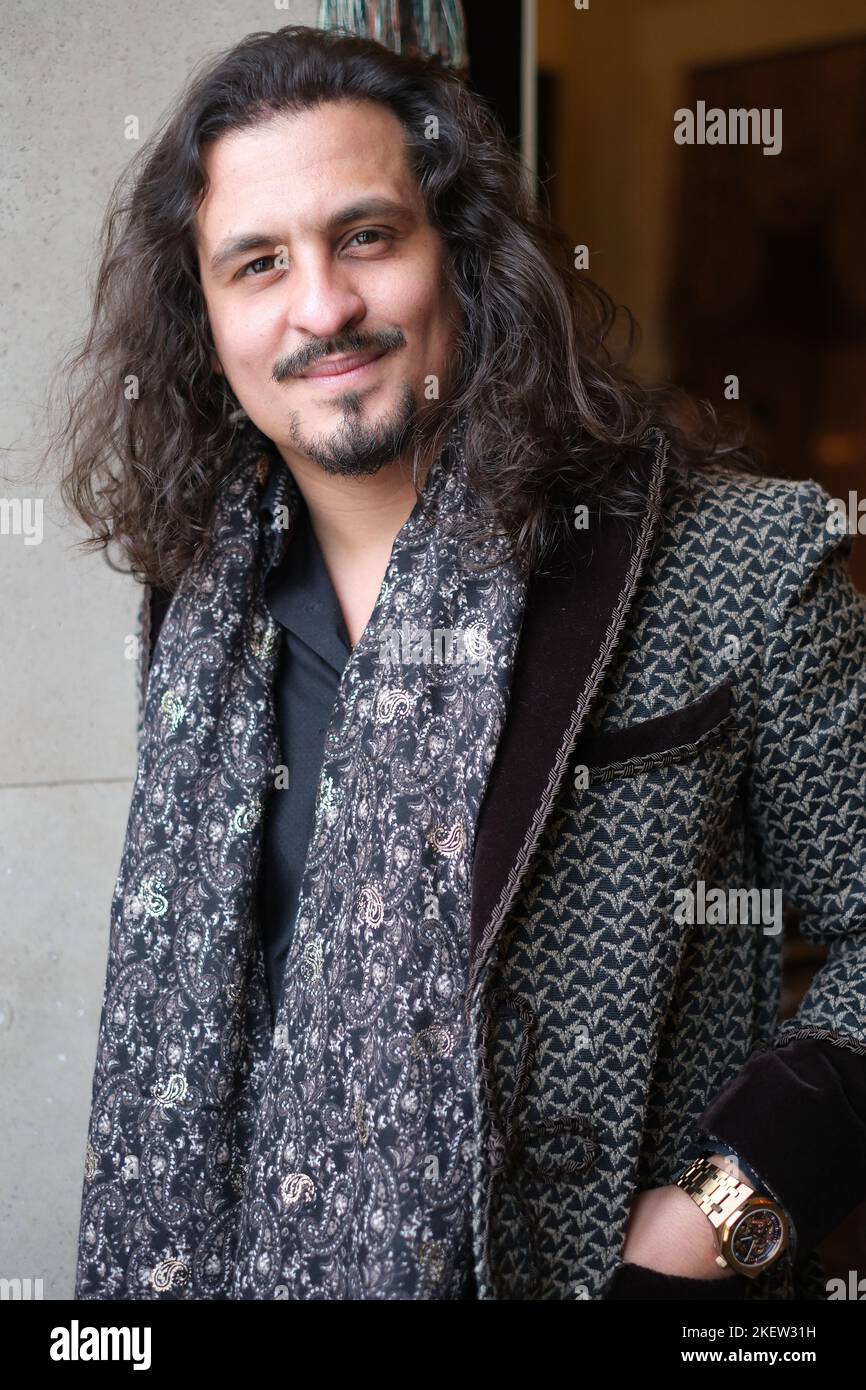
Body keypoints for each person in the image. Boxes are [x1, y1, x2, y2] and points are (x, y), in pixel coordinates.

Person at [54, 25, 866, 1301]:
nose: (321, 307)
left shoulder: (733, 554)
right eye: (257, 264)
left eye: (366, 236)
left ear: (464, 256)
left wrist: (727, 1207)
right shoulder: (200, 604)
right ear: (201, 320)